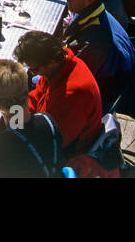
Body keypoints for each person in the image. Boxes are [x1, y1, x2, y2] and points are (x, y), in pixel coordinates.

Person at [13, 30, 102, 164]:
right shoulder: (59, 68)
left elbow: (50, 144)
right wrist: (14, 116)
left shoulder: (73, 94)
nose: (33, 73)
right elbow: (35, 98)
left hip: (68, 156)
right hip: (46, 129)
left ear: (51, 61)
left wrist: (14, 131)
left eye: (35, 70)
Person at [62, 0, 134, 114]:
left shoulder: (94, 43)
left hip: (94, 105)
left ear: (89, 0)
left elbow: (67, 79)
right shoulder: (100, 14)